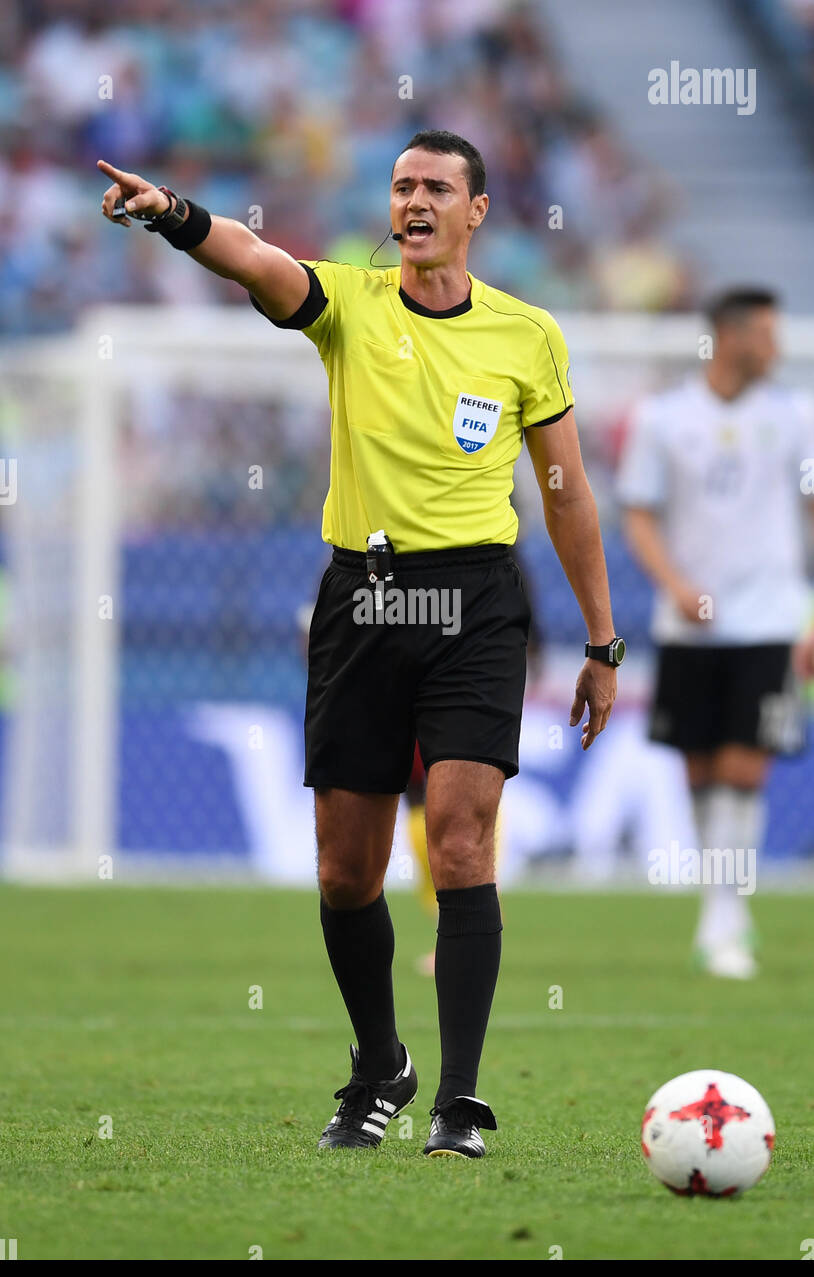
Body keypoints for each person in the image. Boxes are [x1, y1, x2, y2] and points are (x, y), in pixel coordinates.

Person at [98, 129, 623, 1158]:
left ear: (477, 211)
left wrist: (602, 642)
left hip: (475, 603)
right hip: (363, 602)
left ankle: (460, 1101)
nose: (414, 201)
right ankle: (380, 1061)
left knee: (463, 841)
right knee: (346, 870)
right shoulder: (349, 304)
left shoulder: (527, 337)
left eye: (436, 187)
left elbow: (565, 495)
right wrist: (173, 214)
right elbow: (257, 260)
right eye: (401, 187)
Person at [619, 287, 814, 979]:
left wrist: (810, 612)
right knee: (699, 769)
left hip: (769, 619)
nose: (778, 347)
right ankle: (720, 904)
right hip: (688, 624)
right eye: (767, 333)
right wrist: (675, 586)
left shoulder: (795, 418)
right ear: (731, 337)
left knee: (742, 767)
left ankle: (724, 917)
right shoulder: (665, 419)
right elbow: (638, 512)